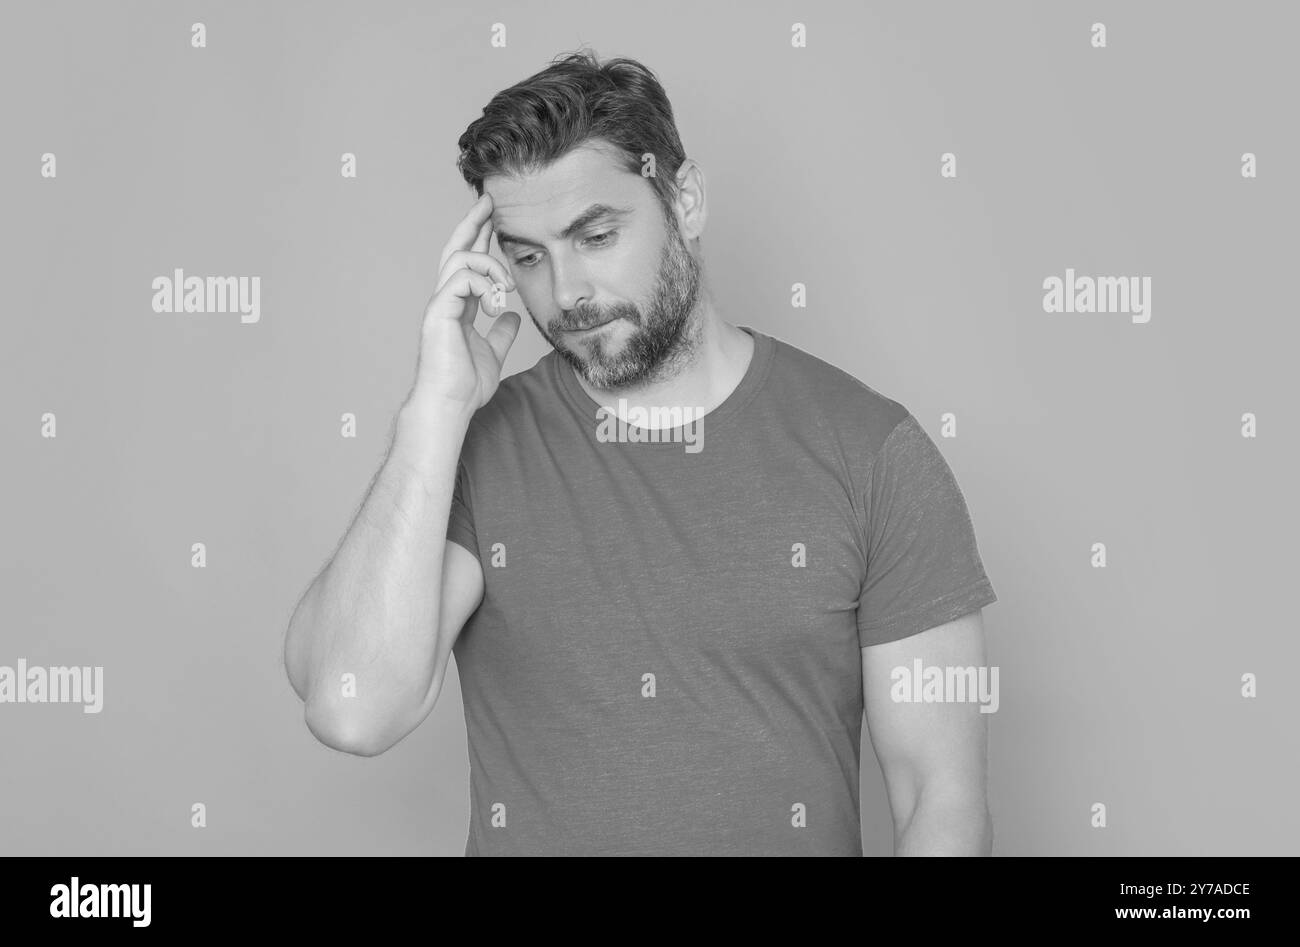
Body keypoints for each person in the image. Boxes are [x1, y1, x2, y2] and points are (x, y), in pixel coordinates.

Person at [284, 49, 999, 856]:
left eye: (595, 235)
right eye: (526, 255)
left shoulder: (874, 454)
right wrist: (433, 412)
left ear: (684, 199)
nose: (566, 291)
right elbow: (352, 709)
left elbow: (942, 803)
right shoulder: (474, 451)